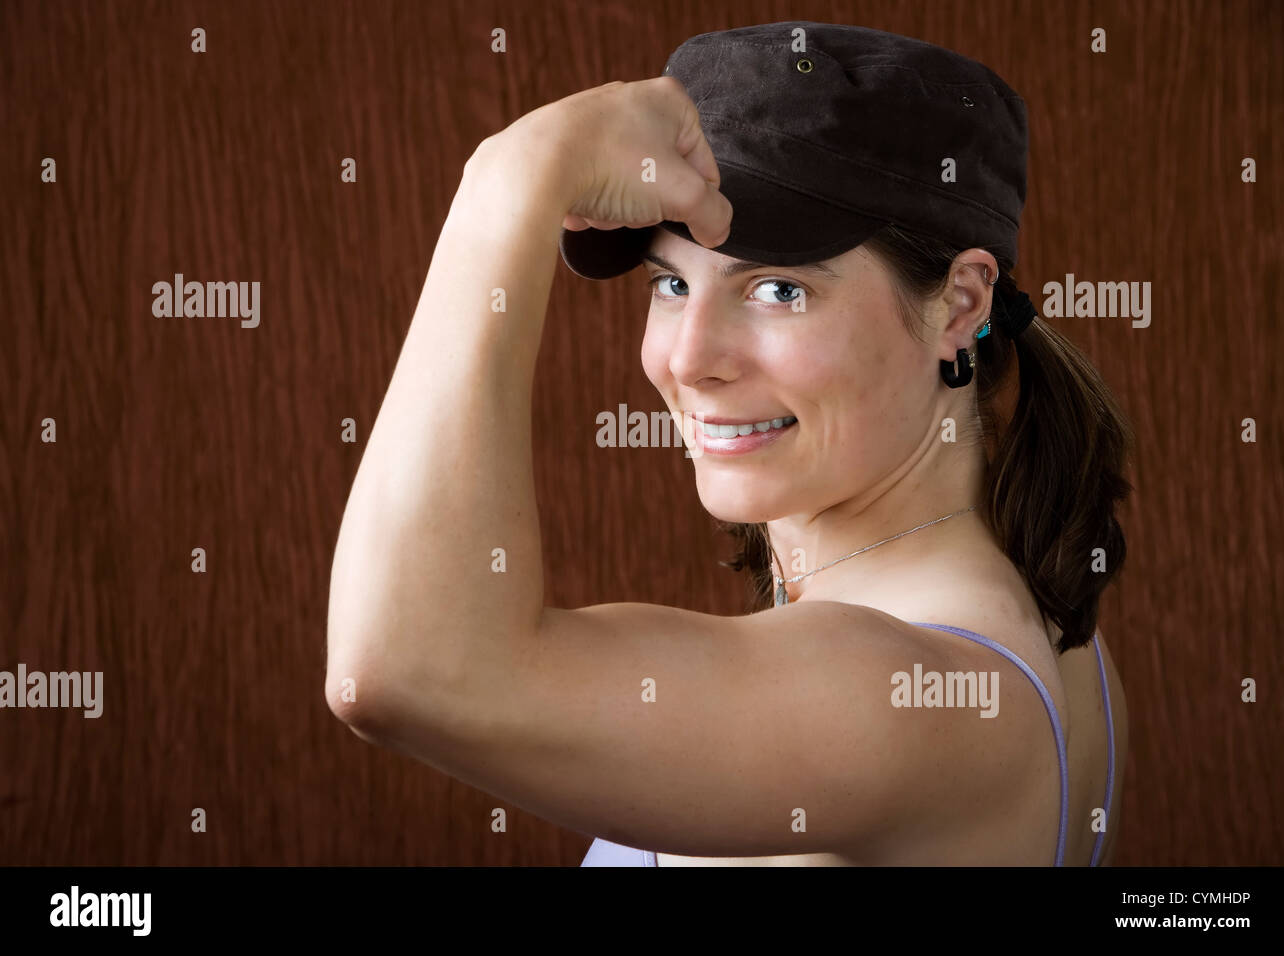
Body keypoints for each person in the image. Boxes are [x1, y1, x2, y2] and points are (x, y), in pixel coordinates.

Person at [325, 21, 1134, 866]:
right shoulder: (1055, 631)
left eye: (778, 289)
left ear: (961, 306)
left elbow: (399, 672)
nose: (687, 358)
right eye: (672, 283)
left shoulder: (909, 691)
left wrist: (507, 176)